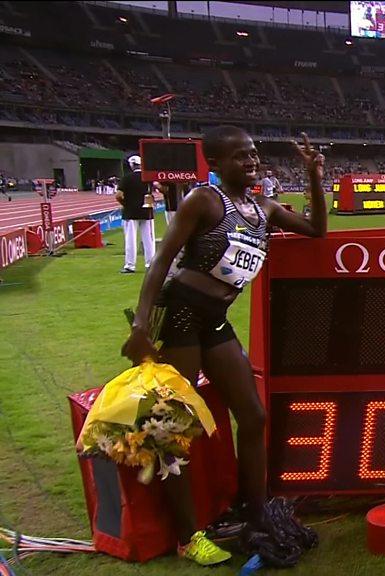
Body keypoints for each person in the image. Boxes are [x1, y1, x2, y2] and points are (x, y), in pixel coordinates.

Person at [121, 126, 327, 566]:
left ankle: (255, 512)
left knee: (253, 416)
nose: (250, 162)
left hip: (215, 319)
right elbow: (161, 261)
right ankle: (187, 536)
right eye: (239, 156)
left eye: (252, 154)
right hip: (179, 316)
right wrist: (140, 325)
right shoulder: (204, 201)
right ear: (214, 164)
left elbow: (316, 230)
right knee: (174, 426)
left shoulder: (264, 208)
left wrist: (313, 176)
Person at [117, 155, 156, 273]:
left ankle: (130, 265)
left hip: (130, 211)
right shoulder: (147, 178)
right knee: (149, 239)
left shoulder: (126, 178)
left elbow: (119, 195)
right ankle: (151, 264)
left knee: (130, 239)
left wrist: (125, 204)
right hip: (146, 211)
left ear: (131, 165)